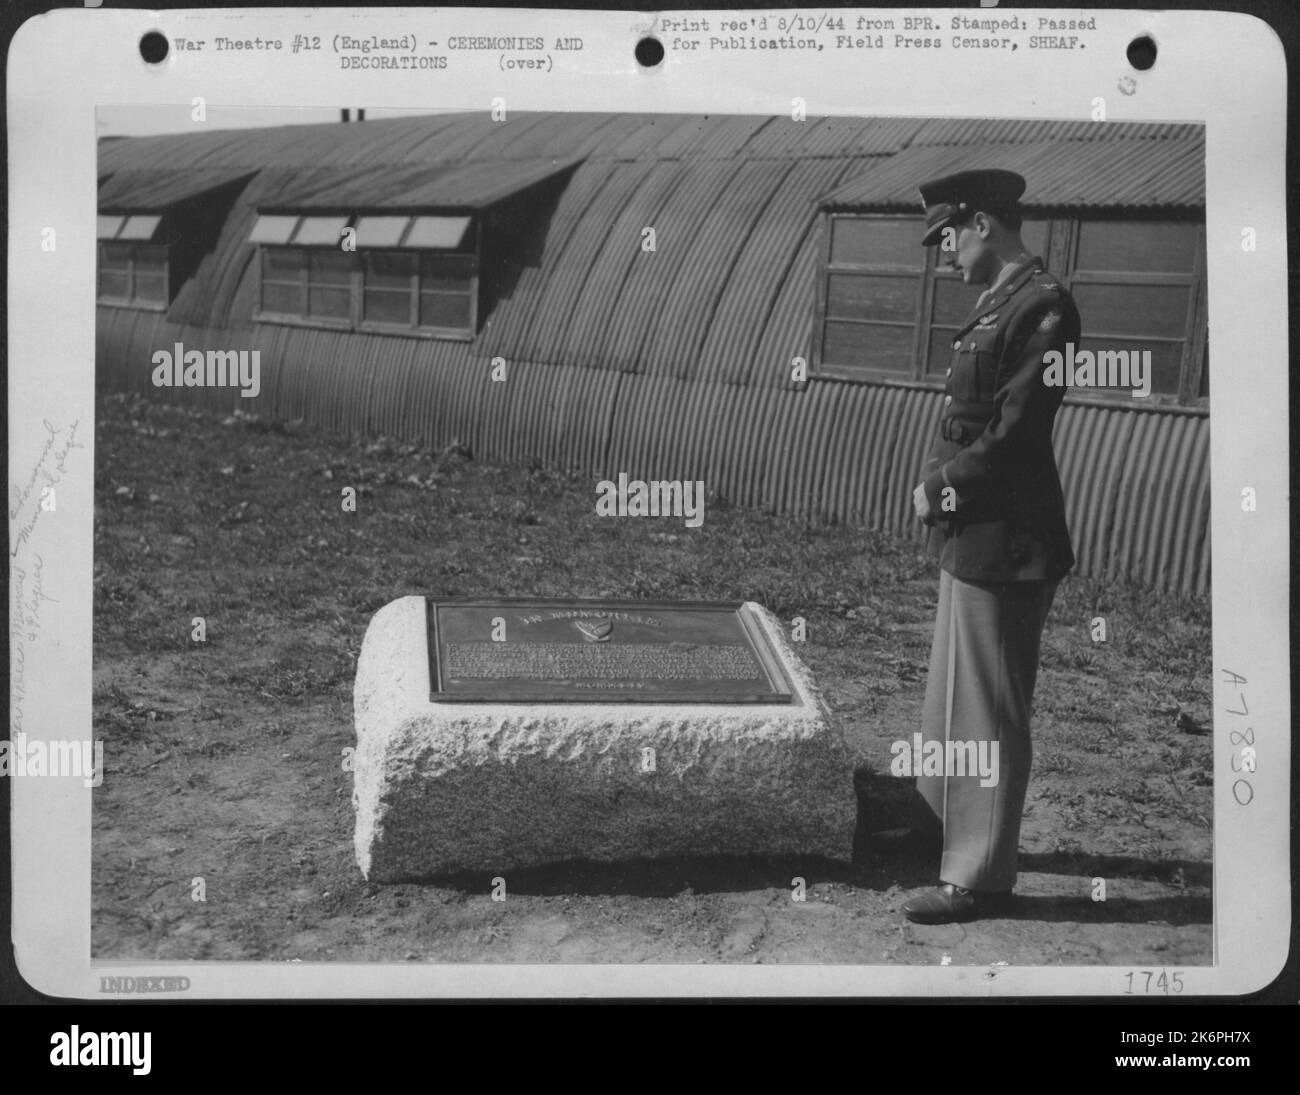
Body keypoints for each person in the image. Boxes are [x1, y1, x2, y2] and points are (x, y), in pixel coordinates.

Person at [875, 169, 1079, 924]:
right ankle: (936, 825)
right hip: (972, 529)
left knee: (988, 708)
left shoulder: (1045, 306)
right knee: (948, 697)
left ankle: (981, 875)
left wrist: (945, 481)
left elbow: (1017, 430)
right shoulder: (1000, 302)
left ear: (984, 223)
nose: (944, 254)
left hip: (1010, 533)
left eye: (949, 236)